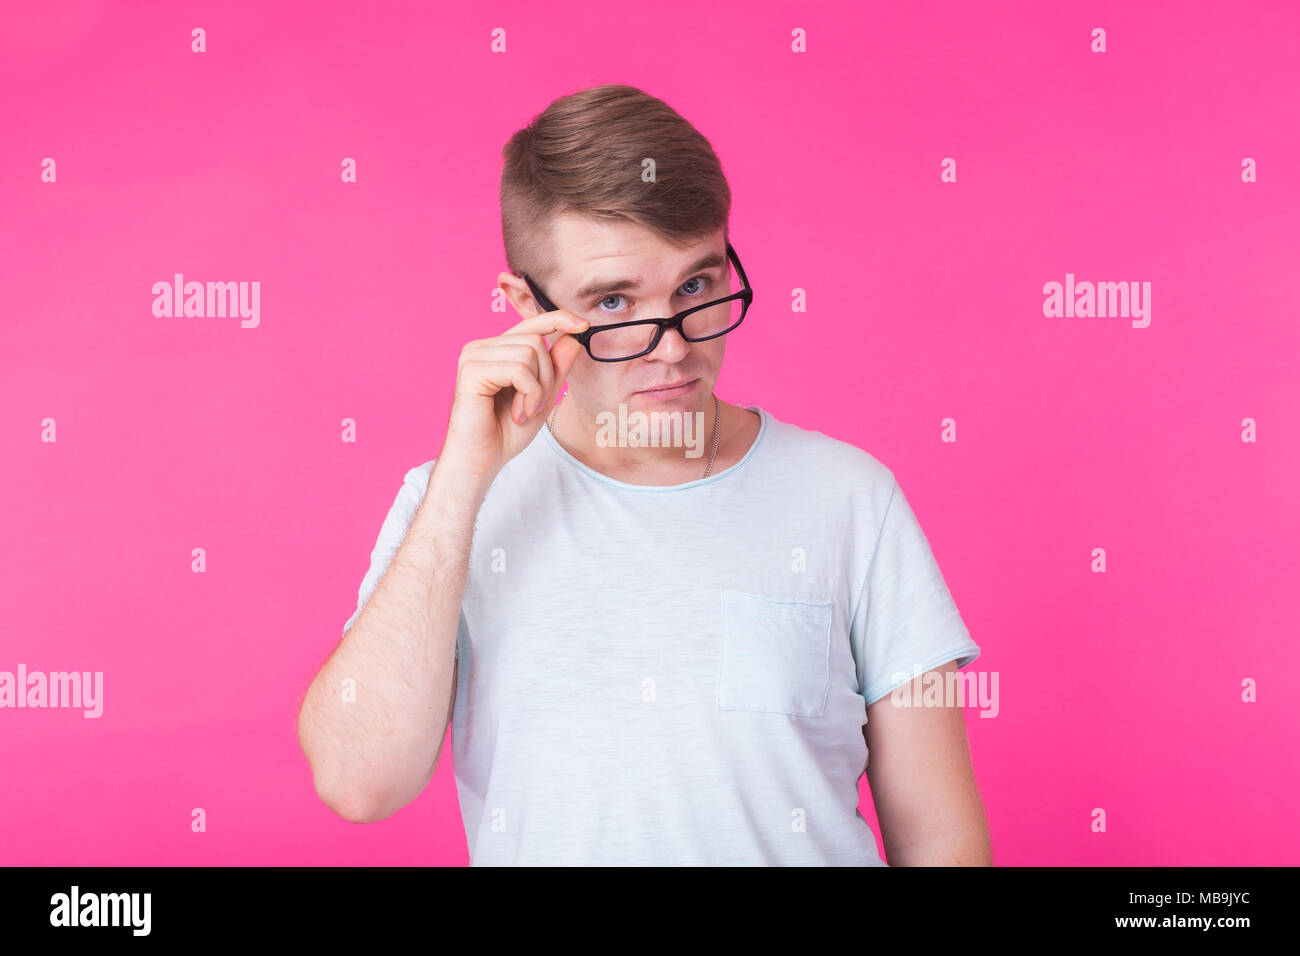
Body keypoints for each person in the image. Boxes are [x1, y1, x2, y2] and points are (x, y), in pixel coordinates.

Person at [297, 84, 992, 866]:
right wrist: (464, 479)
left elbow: (940, 839)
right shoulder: (448, 509)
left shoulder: (852, 499)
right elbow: (359, 782)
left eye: (695, 286)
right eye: (616, 302)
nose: (673, 349)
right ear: (526, 308)